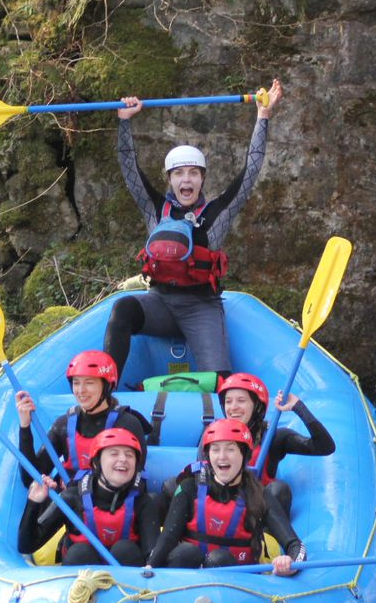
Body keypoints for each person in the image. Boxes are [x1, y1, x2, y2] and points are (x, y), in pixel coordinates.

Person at [102, 78, 285, 384]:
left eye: (193, 173)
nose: (186, 180)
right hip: (159, 303)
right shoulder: (155, 208)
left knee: (220, 379)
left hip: (202, 309)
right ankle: (106, 391)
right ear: (170, 179)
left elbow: (251, 170)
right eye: (179, 174)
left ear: (202, 179)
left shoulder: (217, 212)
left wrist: (263, 116)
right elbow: (129, 168)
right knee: (122, 309)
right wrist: (124, 121)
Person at [149, 418, 305, 573]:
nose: (222, 456)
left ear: (244, 455)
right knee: (186, 553)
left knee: (219, 559)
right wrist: (150, 566)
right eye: (215, 450)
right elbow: (168, 537)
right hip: (189, 577)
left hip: (236, 579)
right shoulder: (189, 488)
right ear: (208, 455)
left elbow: (296, 546)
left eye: (230, 449)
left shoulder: (259, 495)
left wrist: (290, 564)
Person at [18, 428, 161, 566]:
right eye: (114, 454)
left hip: (125, 576)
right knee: (80, 553)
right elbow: (26, 546)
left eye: (129, 455)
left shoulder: (143, 503)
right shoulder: (72, 498)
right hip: (80, 574)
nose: (123, 459)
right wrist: (33, 503)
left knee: (125, 551)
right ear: (96, 463)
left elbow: (153, 558)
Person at [15, 349, 147, 485]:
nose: (81, 390)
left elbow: (134, 481)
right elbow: (30, 479)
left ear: (107, 386)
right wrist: (24, 427)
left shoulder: (127, 424)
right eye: (76, 383)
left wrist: (79, 487)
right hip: (72, 496)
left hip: (108, 497)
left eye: (89, 382)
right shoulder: (64, 425)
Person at [217, 372, 334, 513]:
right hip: (222, 513)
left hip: (258, 515)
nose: (233, 407)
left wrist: (298, 407)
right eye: (228, 401)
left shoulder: (274, 438)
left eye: (241, 400)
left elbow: (325, 447)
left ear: (257, 406)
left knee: (279, 490)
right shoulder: (214, 437)